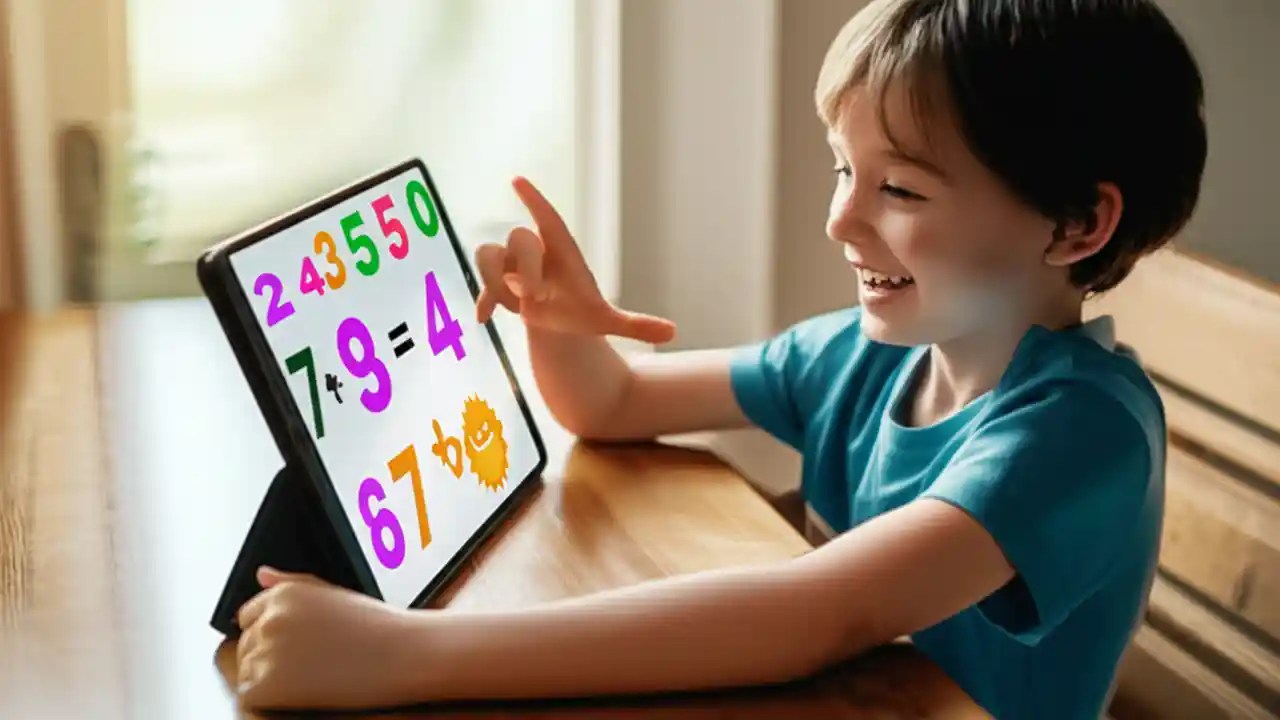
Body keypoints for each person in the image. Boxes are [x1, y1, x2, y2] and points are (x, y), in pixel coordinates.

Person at [232, 1, 1206, 717]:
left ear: (1075, 223)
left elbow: (824, 613)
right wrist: (558, 319)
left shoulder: (1081, 432)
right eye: (842, 171)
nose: (838, 218)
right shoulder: (867, 359)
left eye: (899, 189)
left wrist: (403, 655)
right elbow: (610, 399)